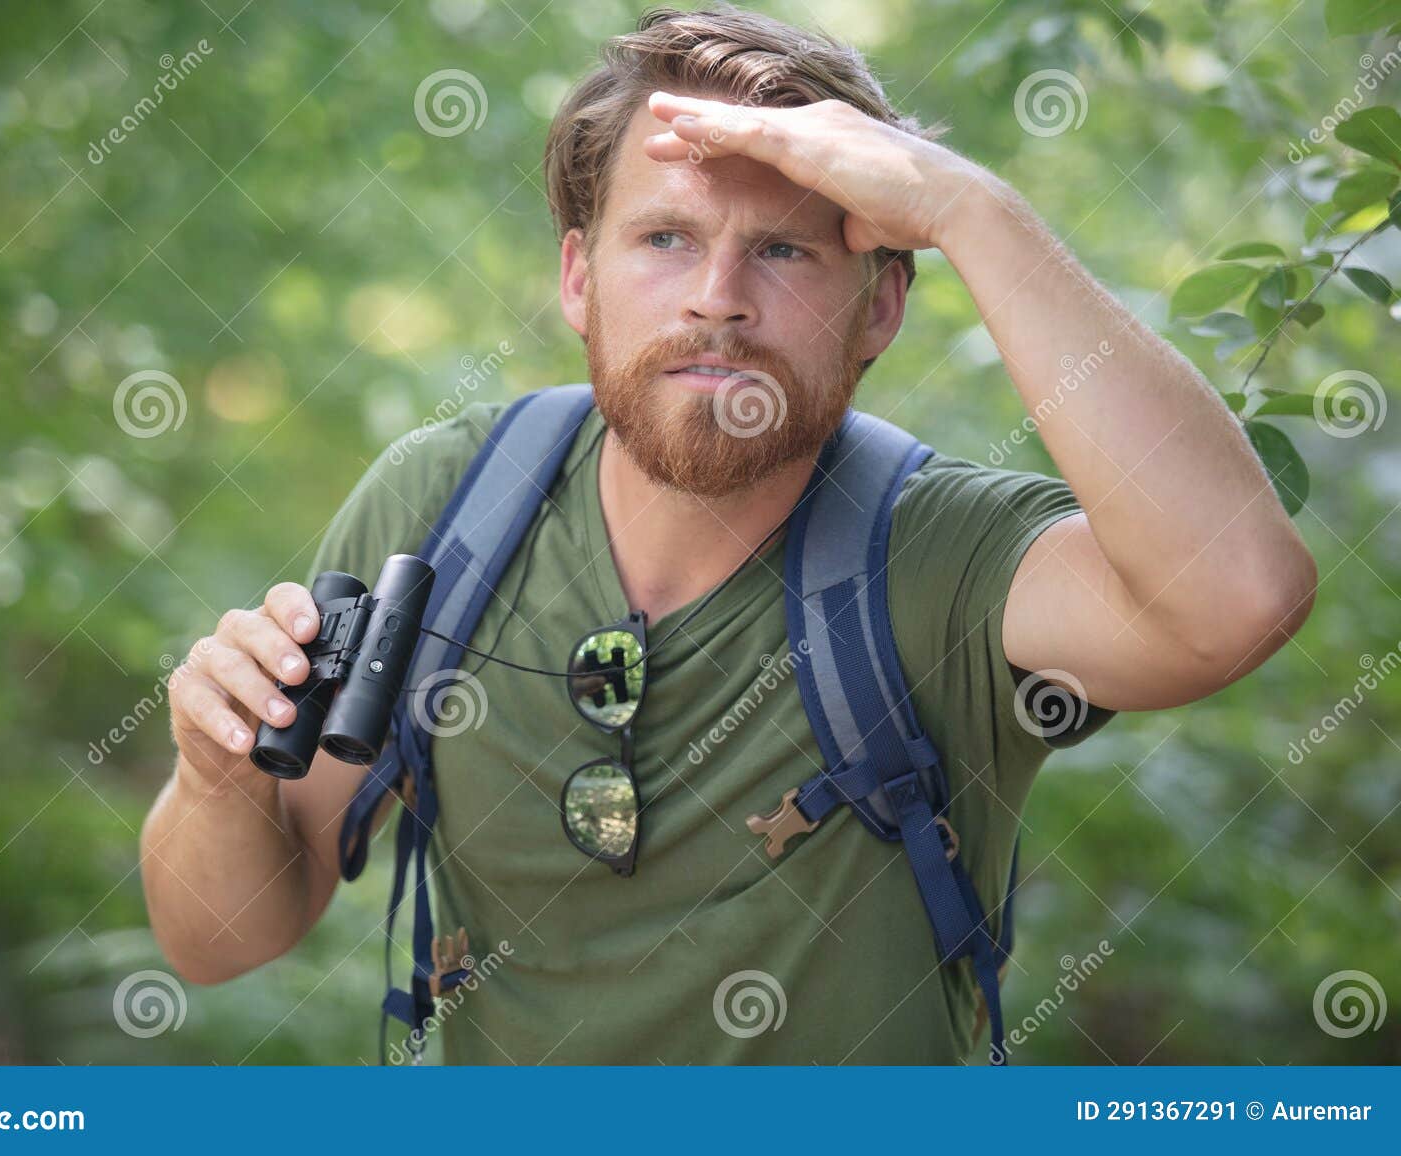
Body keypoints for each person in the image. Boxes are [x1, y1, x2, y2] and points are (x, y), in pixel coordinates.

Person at [139, 5, 1316, 1063]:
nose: (716, 295)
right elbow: (218, 939)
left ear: (882, 306)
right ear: (577, 280)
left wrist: (968, 206)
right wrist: (212, 775)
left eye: (784, 250)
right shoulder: (448, 508)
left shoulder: (947, 556)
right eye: (664, 240)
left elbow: (1239, 596)